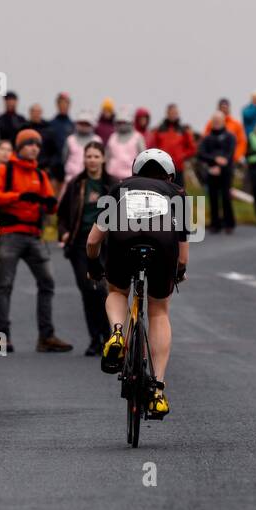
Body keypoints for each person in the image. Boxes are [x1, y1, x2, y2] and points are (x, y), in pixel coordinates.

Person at [86, 149, 189, 419]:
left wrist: (93, 266)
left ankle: (118, 333)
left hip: (123, 242)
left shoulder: (118, 188)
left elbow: (93, 241)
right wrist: (179, 271)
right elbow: (183, 247)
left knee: (118, 290)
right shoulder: (178, 193)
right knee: (158, 309)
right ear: (169, 174)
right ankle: (156, 389)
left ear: (134, 171)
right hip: (163, 247)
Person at [0, 128, 73, 353]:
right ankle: (2, 341)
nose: (34, 147)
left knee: (47, 282)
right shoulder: (6, 170)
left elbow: (51, 205)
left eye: (37, 144)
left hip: (34, 235)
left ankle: (46, 337)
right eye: (29, 143)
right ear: (20, 147)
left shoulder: (40, 175)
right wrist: (18, 197)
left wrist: (51, 203)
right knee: (4, 287)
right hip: (9, 234)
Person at [58, 140, 116, 355]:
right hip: (80, 245)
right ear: (84, 159)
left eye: (95, 156)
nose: (92, 160)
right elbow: (62, 213)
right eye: (88, 156)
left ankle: (109, 337)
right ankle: (95, 339)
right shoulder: (76, 184)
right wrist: (63, 232)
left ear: (103, 158)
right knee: (87, 291)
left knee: (103, 291)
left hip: (107, 245)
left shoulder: (113, 185)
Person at [197, 112, 236, 233]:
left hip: (226, 171)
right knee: (213, 197)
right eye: (214, 121)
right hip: (211, 171)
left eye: (219, 120)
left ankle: (229, 223)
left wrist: (221, 163)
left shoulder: (230, 136)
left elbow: (230, 153)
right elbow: (201, 154)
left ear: (223, 121)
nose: (217, 123)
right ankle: (215, 223)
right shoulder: (207, 138)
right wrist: (214, 161)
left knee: (225, 197)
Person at [147, 104, 197, 176]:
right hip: (162, 167)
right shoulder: (159, 130)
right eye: (171, 113)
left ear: (178, 114)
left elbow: (192, 149)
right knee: (162, 187)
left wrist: (182, 155)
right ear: (167, 114)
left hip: (178, 168)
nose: (173, 115)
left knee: (178, 187)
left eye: (175, 113)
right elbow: (153, 146)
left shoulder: (183, 130)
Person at [105, 108, 147, 181]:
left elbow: (143, 158)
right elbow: (107, 157)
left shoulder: (137, 137)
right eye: (119, 122)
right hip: (112, 177)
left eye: (124, 122)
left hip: (130, 178)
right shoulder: (112, 137)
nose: (122, 125)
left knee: (123, 192)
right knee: (115, 192)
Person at [46, 92, 74, 185]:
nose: (63, 106)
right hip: (54, 168)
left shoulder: (73, 125)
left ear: (69, 105)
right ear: (57, 105)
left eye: (66, 103)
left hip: (69, 168)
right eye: (61, 103)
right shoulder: (50, 124)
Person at [64, 111, 98, 185]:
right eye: (81, 123)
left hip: (92, 179)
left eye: (86, 124)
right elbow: (64, 158)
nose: (84, 126)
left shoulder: (97, 140)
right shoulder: (70, 139)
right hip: (71, 179)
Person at [217, 98, 247, 163]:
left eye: (225, 107)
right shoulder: (211, 124)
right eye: (222, 108)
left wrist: (236, 156)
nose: (223, 110)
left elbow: (242, 142)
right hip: (216, 160)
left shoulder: (236, 124)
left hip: (233, 159)